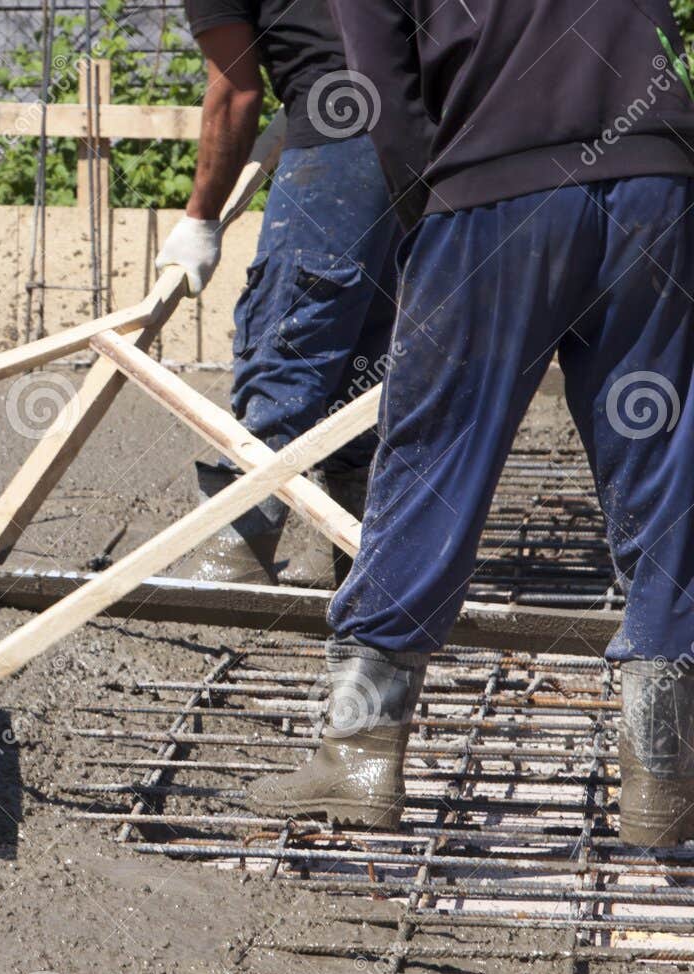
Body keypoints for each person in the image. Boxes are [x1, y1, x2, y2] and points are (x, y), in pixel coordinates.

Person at [246, 0, 694, 847]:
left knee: (436, 453)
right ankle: (663, 773)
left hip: (497, 183)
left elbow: (380, 83)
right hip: (656, 182)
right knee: (663, 457)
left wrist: (437, 208)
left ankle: (360, 751)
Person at [159, 0, 401, 587]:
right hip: (421, 147)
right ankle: (356, 554)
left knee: (286, 346)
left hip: (339, 148)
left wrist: (200, 218)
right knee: (364, 364)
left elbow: (236, 93)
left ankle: (234, 557)